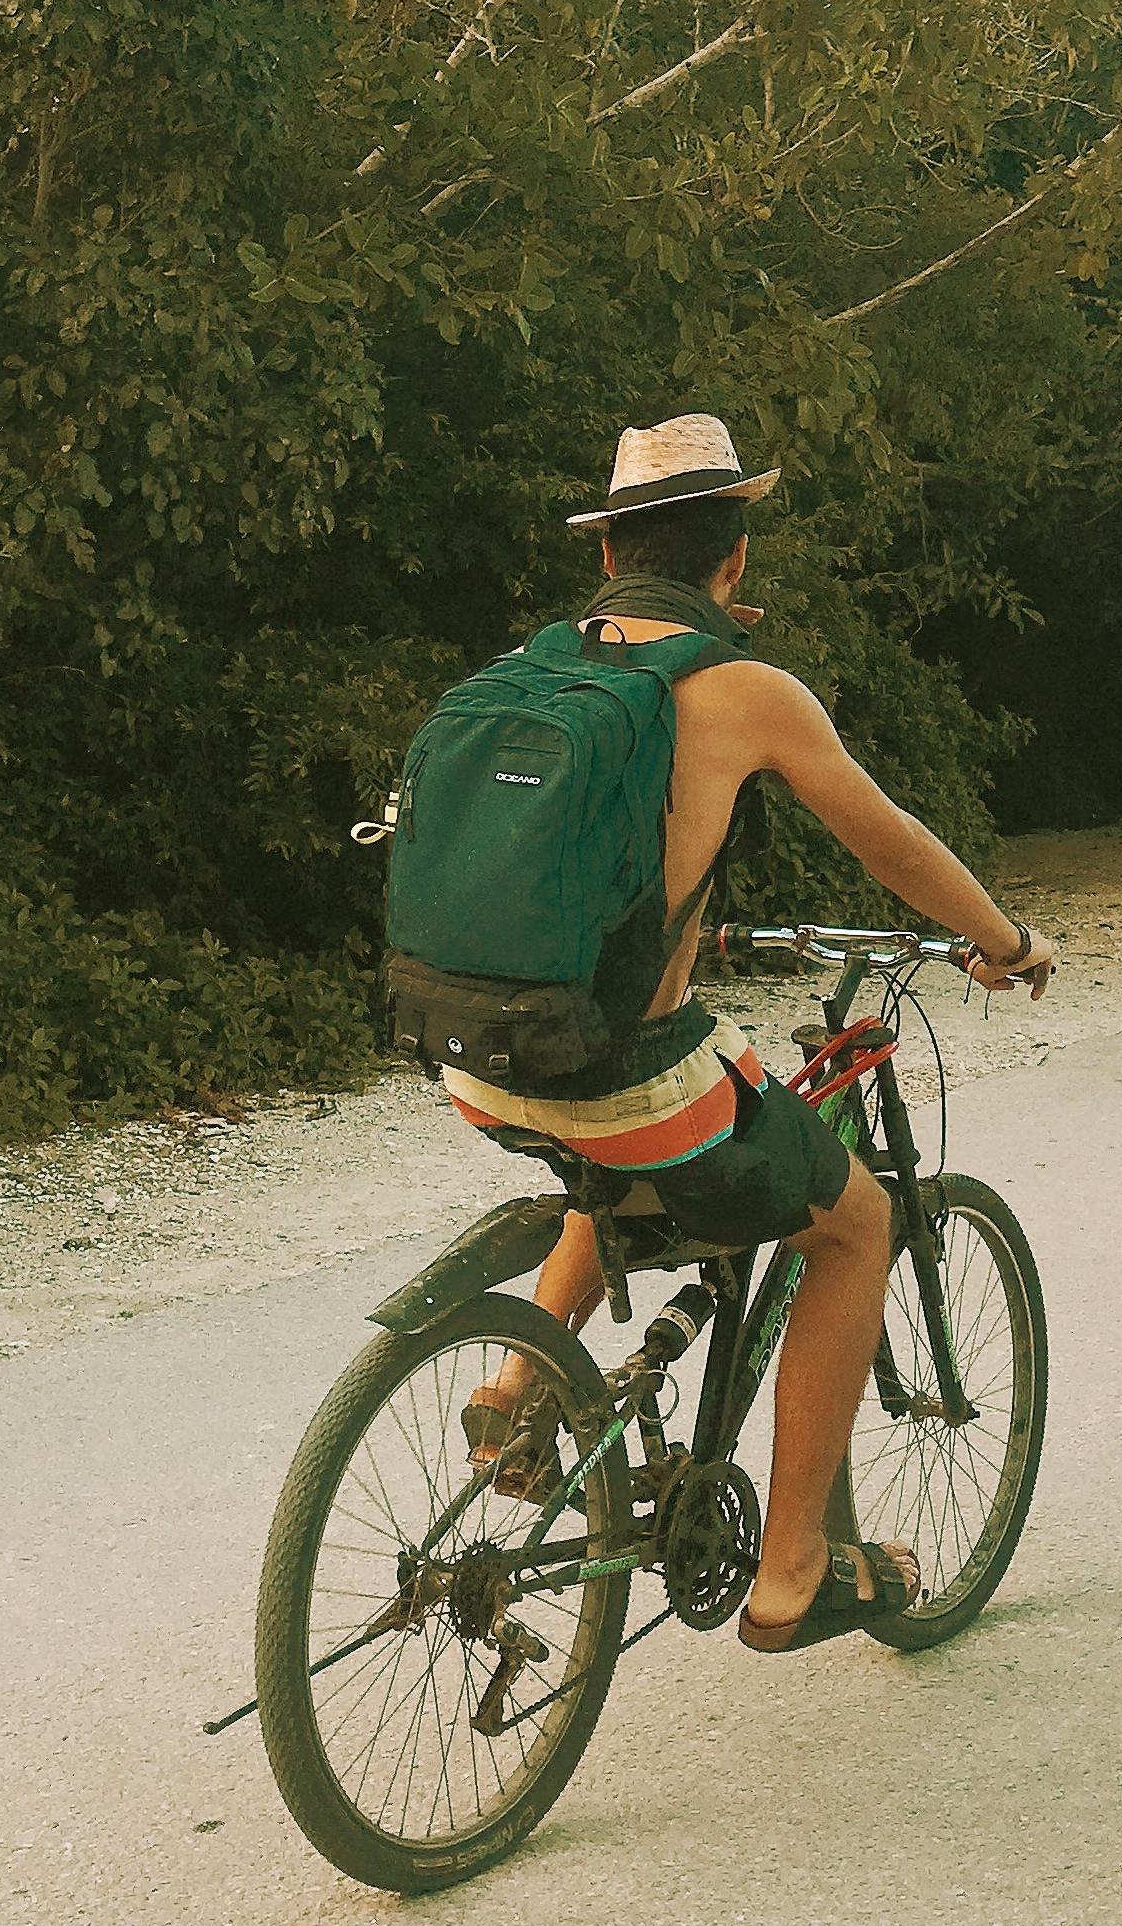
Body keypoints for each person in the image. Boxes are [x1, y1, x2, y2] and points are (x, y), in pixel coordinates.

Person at [446, 417, 1056, 1654]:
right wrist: (1003, 941)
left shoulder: (536, 666)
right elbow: (888, 842)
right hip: (620, 1077)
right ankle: (795, 1571)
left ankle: (514, 1386)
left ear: (612, 546)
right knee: (858, 1222)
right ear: (733, 563)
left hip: (475, 1060)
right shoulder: (739, 691)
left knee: (623, 1136)